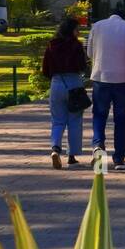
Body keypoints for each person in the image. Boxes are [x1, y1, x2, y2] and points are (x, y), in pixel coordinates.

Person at [87, 6, 125, 171]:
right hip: (123, 78)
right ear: (124, 16)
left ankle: (98, 147)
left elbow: (89, 52)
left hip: (100, 77)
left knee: (99, 115)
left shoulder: (97, 26)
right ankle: (119, 158)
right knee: (121, 119)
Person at [41, 17, 88, 168]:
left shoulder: (52, 45)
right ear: (71, 31)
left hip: (56, 83)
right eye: (76, 29)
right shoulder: (76, 46)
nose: (78, 32)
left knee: (57, 120)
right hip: (74, 83)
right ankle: (72, 155)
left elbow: (45, 69)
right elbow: (82, 66)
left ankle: (55, 148)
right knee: (74, 120)